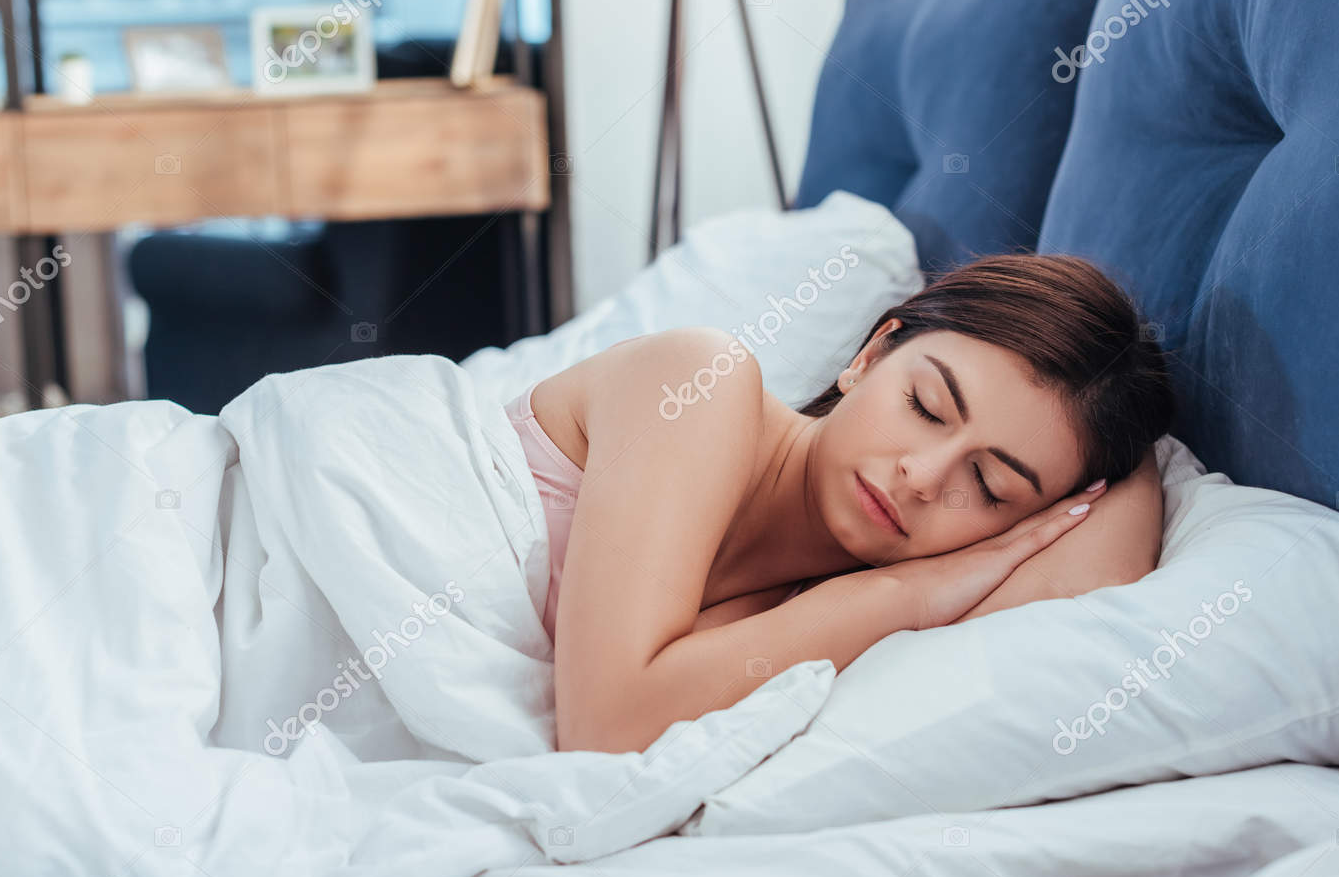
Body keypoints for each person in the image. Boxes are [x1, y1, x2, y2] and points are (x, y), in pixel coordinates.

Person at [503, 254, 1175, 753]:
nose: (921, 475)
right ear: (872, 355)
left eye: (991, 486)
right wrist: (906, 595)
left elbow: (1084, 590)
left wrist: (1126, 438)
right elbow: (604, 731)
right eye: (926, 406)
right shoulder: (699, 381)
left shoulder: (808, 615)